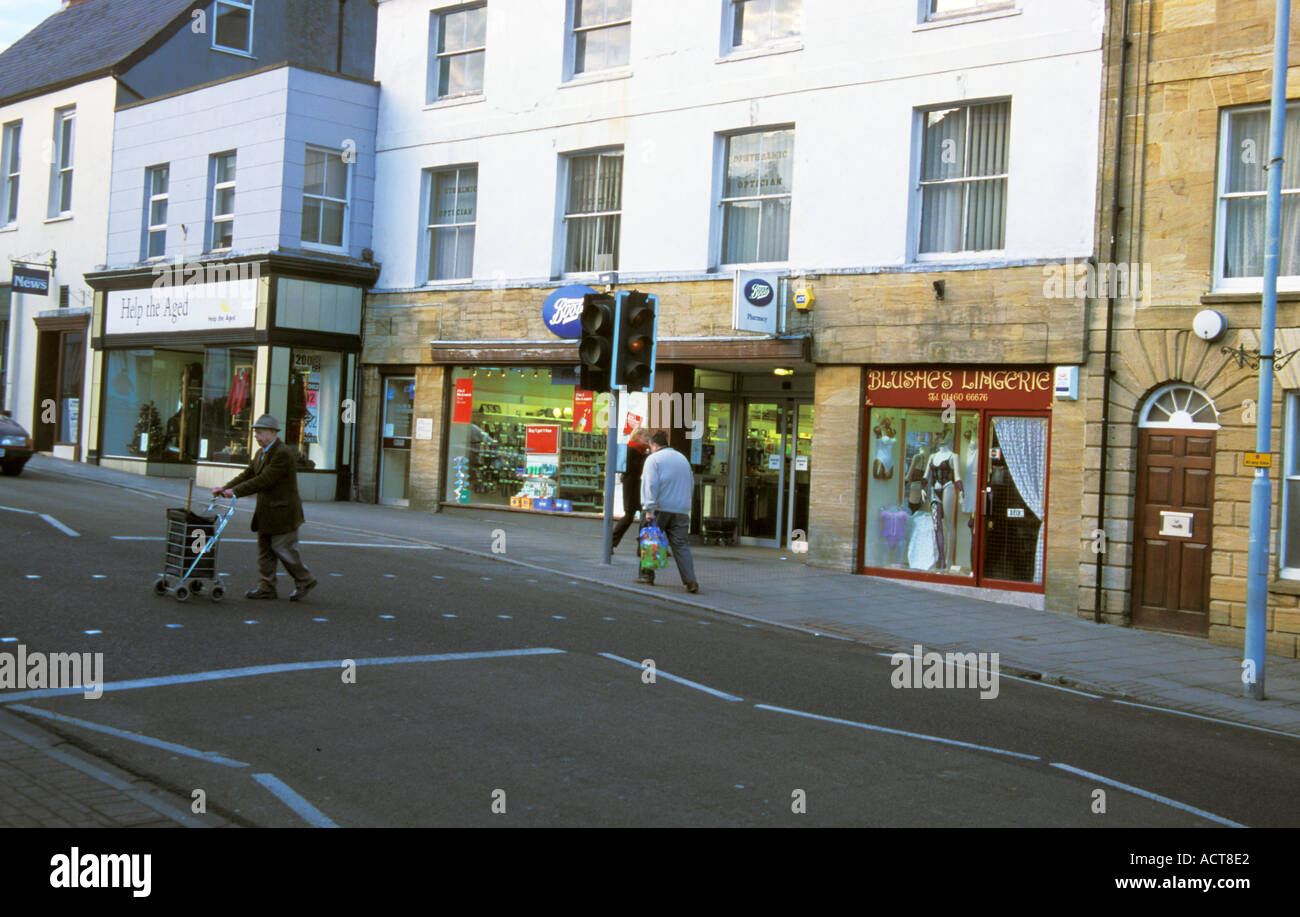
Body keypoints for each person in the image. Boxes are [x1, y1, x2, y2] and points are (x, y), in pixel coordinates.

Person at [213, 414, 317, 601]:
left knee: (283, 548)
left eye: (260, 433)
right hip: (267, 511)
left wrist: (234, 492)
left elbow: (264, 480)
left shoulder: (282, 453)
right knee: (265, 550)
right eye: (256, 432)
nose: (256, 436)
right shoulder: (261, 453)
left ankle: (305, 579)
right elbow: (248, 474)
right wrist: (226, 488)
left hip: (284, 511)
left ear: (272, 433)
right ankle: (266, 587)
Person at [640, 430, 699, 593]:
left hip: (660, 508)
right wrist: (686, 504)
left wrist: (649, 508)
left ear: (654, 445)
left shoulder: (653, 459)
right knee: (681, 546)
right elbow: (691, 483)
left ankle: (647, 576)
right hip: (681, 509)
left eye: (650, 446)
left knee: (652, 540)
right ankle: (691, 581)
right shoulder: (682, 459)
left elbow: (650, 485)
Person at [611, 426, 650, 550]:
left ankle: (642, 548)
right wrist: (646, 458)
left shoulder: (643, 451)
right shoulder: (631, 450)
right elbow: (634, 468)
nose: (647, 439)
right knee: (629, 516)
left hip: (640, 488)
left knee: (644, 517)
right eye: (645, 436)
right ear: (638, 437)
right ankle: (610, 542)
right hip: (632, 488)